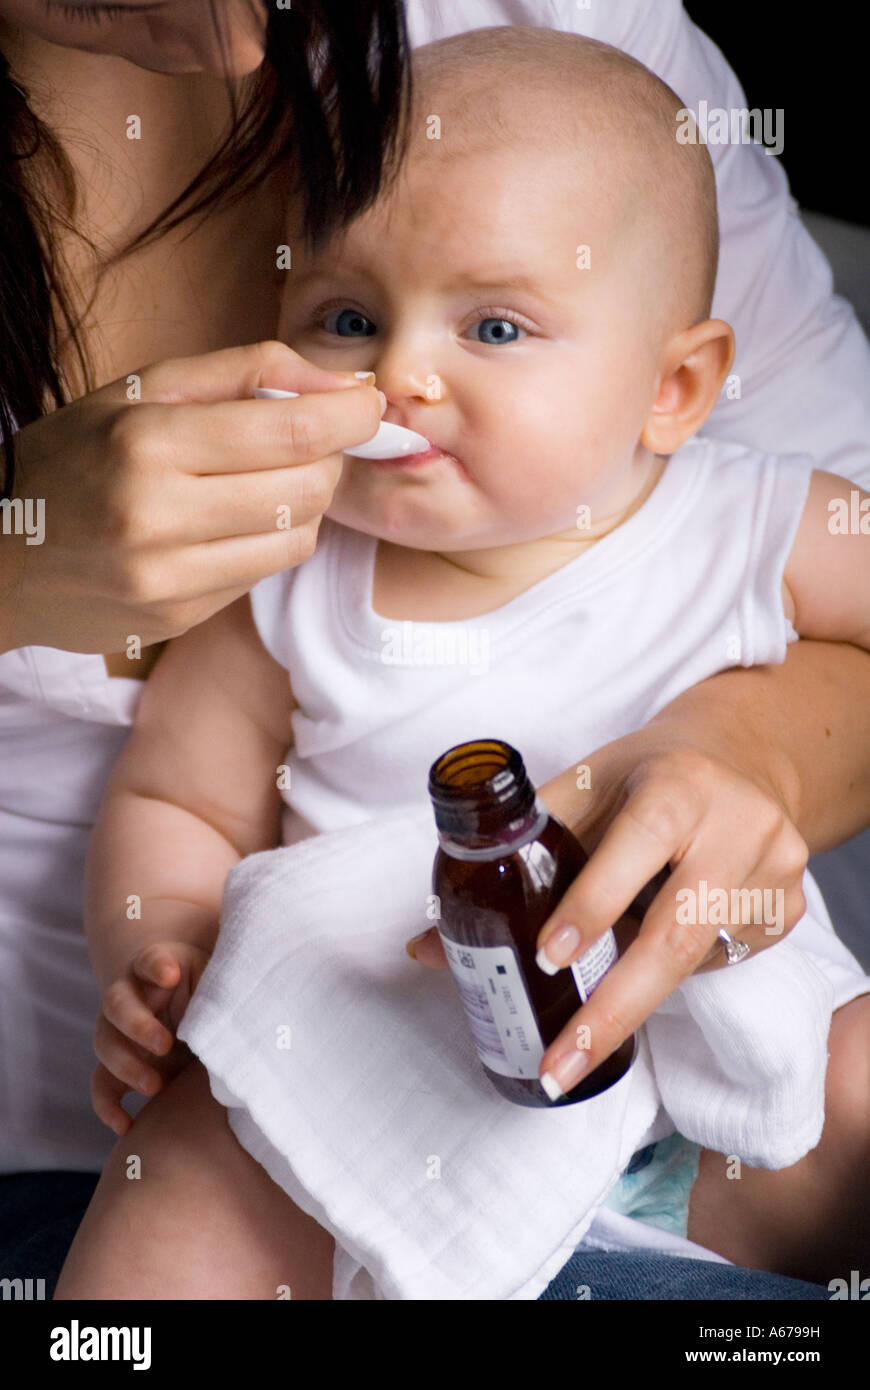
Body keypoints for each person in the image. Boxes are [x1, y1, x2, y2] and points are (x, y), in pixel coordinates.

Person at [0, 0, 867, 1299]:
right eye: (347, 318)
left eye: (494, 330)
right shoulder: (292, 579)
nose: (402, 373)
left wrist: (752, 750)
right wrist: (165, 944)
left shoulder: (742, 517)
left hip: (699, 1056)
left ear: (672, 390)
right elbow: (178, 787)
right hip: (365, 1073)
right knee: (195, 1158)